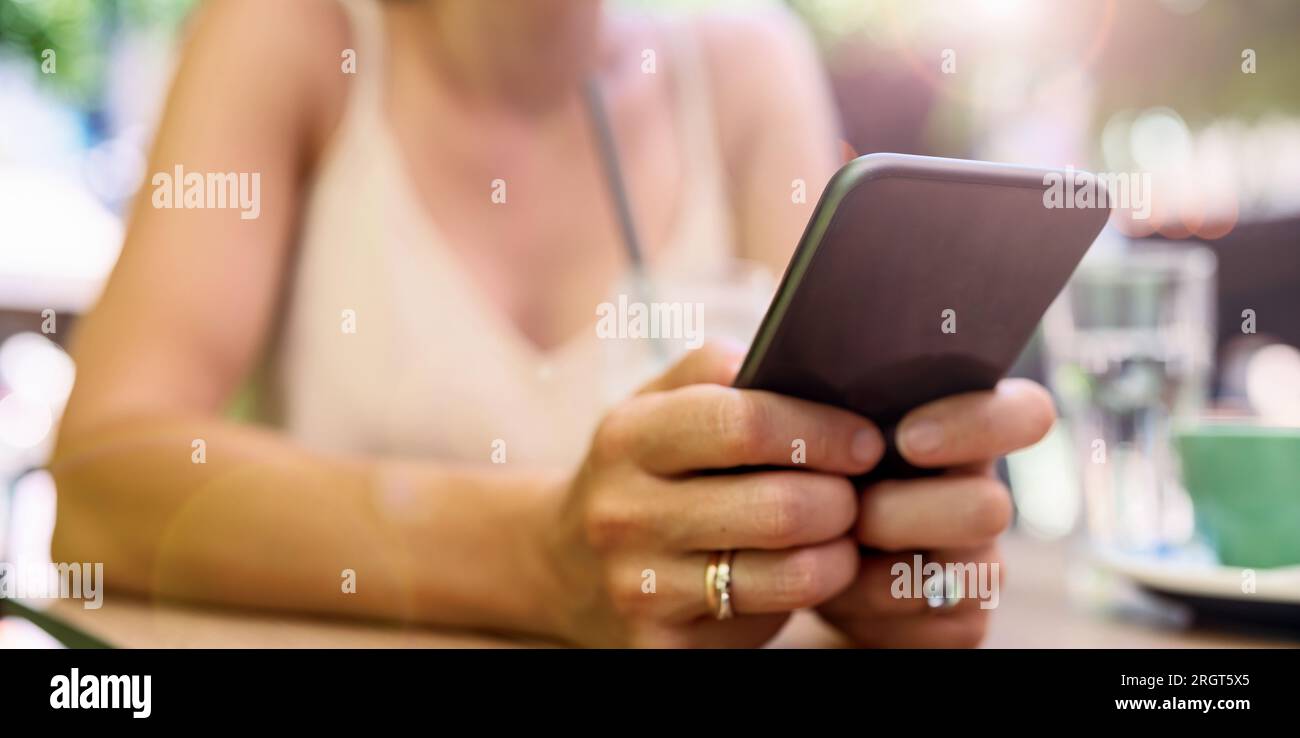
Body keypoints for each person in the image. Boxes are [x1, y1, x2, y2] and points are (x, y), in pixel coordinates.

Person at [50, 0, 1054, 647]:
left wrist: (862, 551)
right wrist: (540, 556)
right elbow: (103, 484)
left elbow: (820, 466)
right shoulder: (288, 34)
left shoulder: (749, 65)